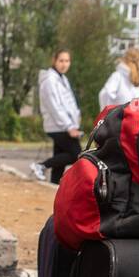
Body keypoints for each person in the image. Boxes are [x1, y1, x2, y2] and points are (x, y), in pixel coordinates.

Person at [30, 49, 82, 185]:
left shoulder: (62, 79)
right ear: (54, 61)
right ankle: (41, 166)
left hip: (64, 125)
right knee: (76, 154)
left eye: (67, 61)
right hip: (58, 126)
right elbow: (54, 106)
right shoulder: (49, 81)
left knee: (60, 157)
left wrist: (75, 121)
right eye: (61, 61)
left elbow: (69, 103)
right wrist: (69, 126)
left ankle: (54, 185)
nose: (64, 64)